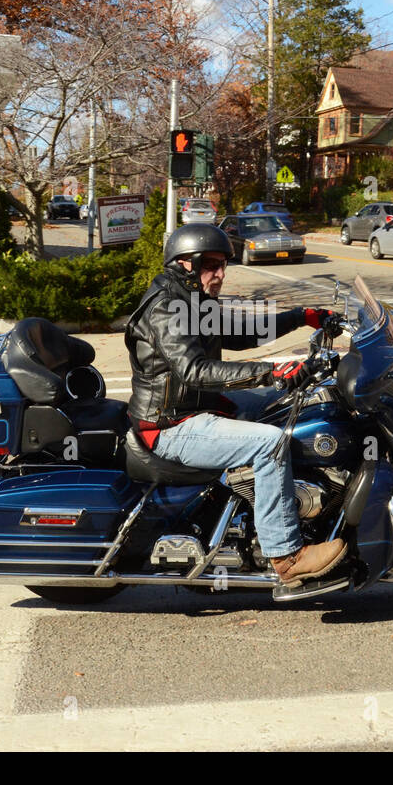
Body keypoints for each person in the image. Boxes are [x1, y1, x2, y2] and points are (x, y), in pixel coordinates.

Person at [124, 223, 346, 588]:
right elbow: (194, 370)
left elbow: (241, 334)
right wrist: (270, 372)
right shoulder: (166, 308)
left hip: (197, 406)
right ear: (185, 264)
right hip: (170, 425)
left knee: (289, 404)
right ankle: (287, 555)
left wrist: (301, 317)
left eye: (224, 264)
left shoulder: (192, 299)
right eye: (211, 264)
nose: (220, 274)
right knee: (270, 441)